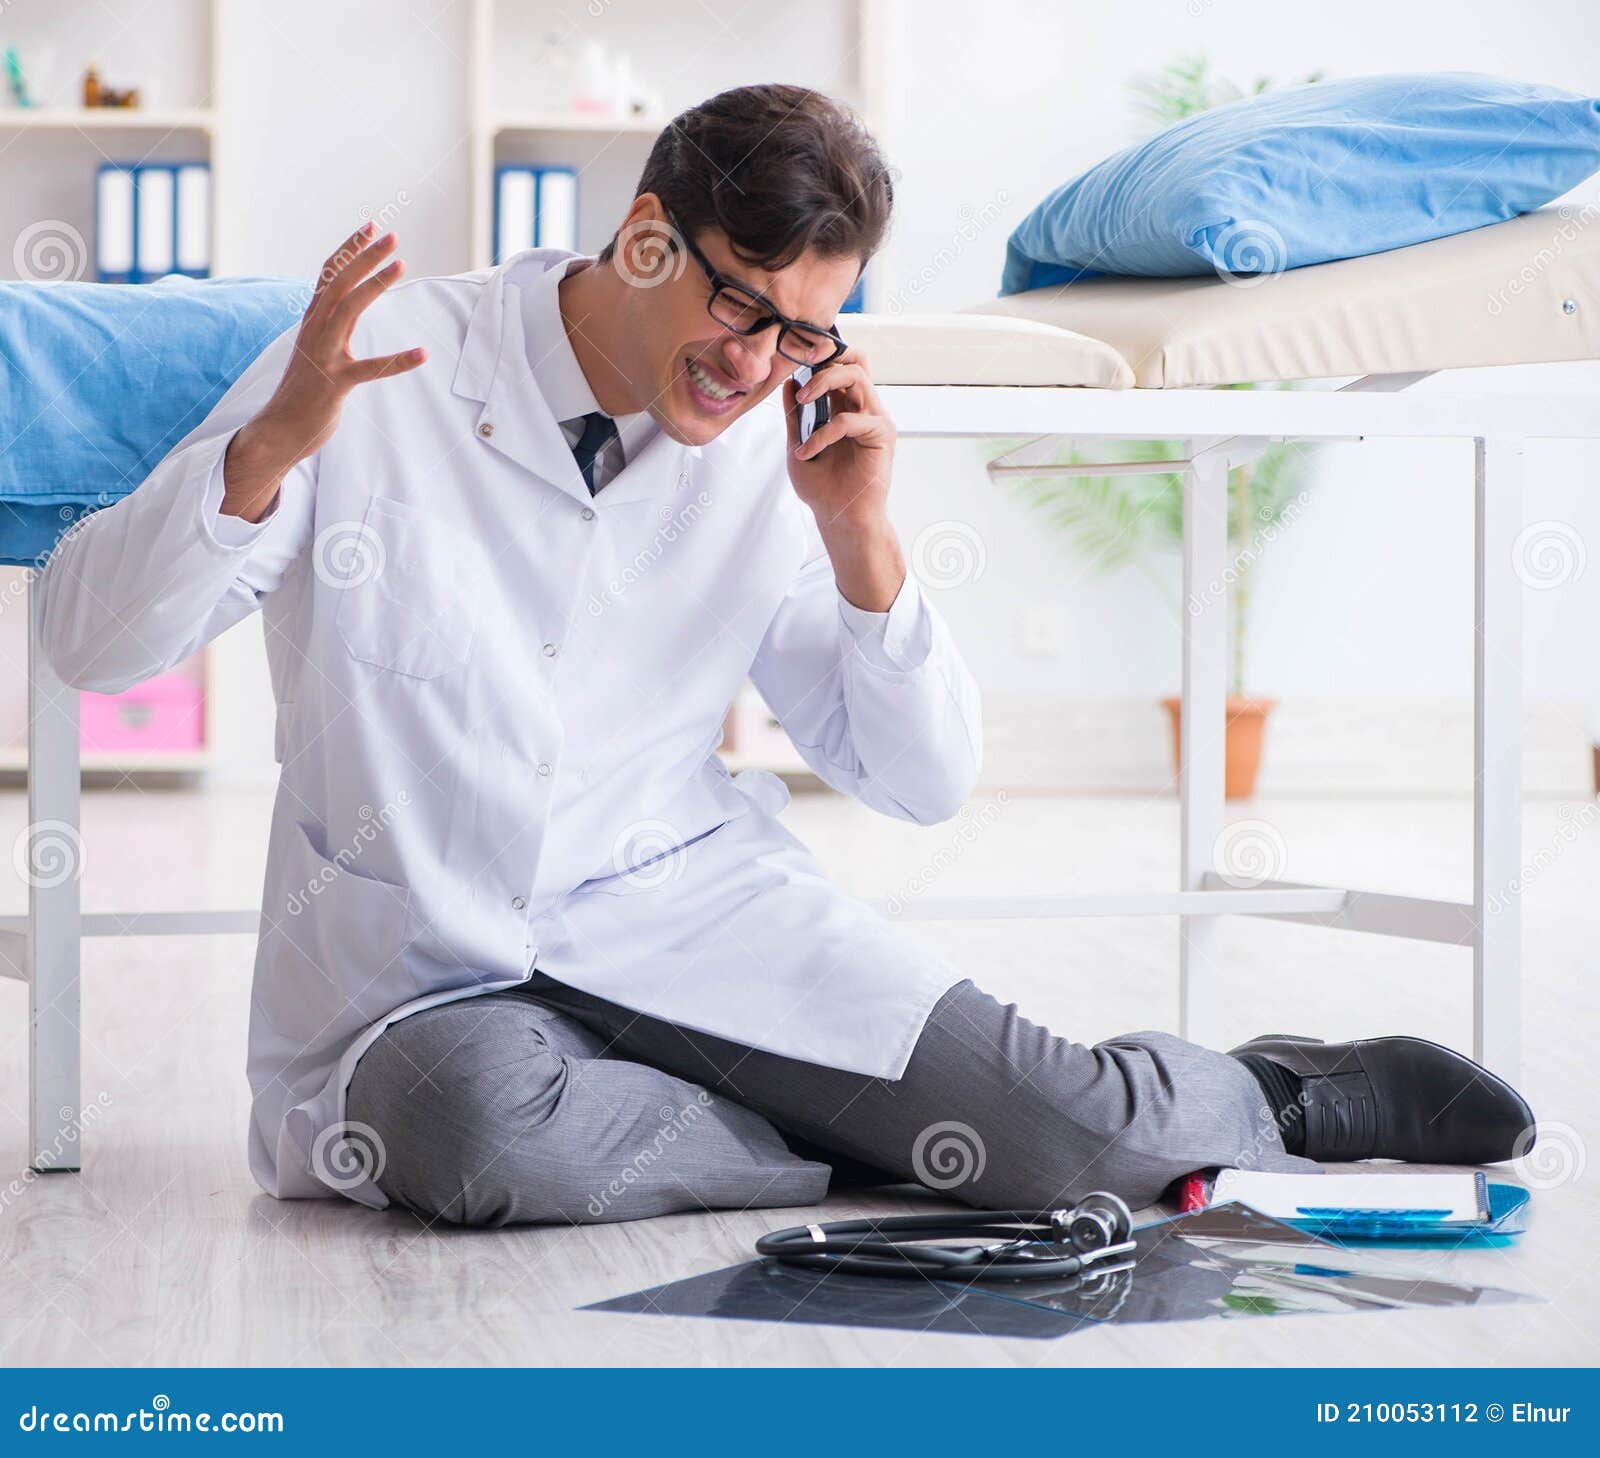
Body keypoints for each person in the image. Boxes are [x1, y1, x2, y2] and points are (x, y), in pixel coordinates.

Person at [37, 84, 1536, 1228]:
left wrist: (864, 539)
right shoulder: (382, 370)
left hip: (684, 919)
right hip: (430, 980)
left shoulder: (782, 441)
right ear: (644, 230)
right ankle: (885, 1137)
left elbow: (922, 781)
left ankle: (1279, 1089)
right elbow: (87, 638)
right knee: (465, 1132)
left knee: (1066, 1147)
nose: (753, 363)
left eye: (800, 329)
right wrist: (260, 456)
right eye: (734, 302)